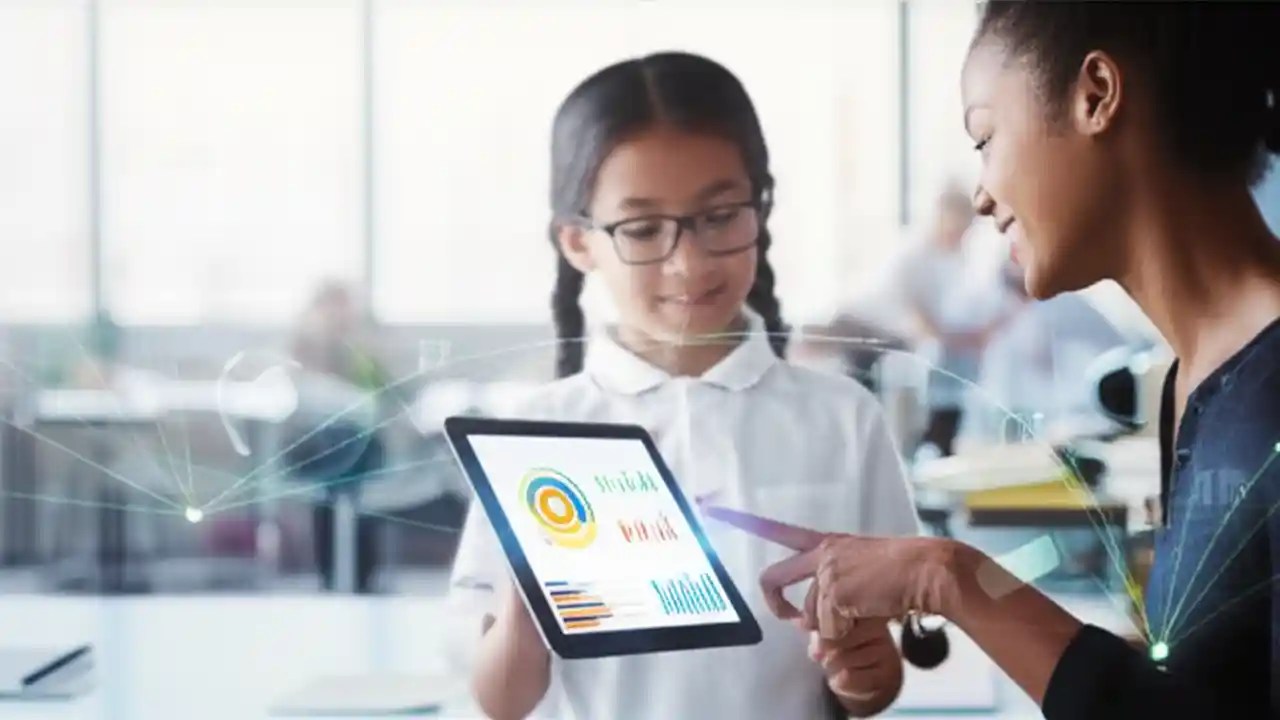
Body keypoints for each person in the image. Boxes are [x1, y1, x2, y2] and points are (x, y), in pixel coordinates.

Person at [708, 2, 1280, 718]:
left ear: (1096, 95)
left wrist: (947, 576)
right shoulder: (1191, 385)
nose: (982, 196)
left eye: (985, 137)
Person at [446, 52, 919, 720]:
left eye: (720, 216)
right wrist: (529, 591)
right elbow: (503, 700)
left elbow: (877, 675)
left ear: (761, 208)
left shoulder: (843, 418)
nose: (688, 262)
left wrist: (865, 675)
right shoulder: (539, 435)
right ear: (579, 243)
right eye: (641, 229)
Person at [894, 185, 1009, 456]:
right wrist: (964, 340)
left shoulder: (957, 259)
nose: (962, 234)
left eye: (967, 228)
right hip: (902, 355)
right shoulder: (913, 257)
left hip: (945, 359)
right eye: (959, 225)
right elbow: (918, 321)